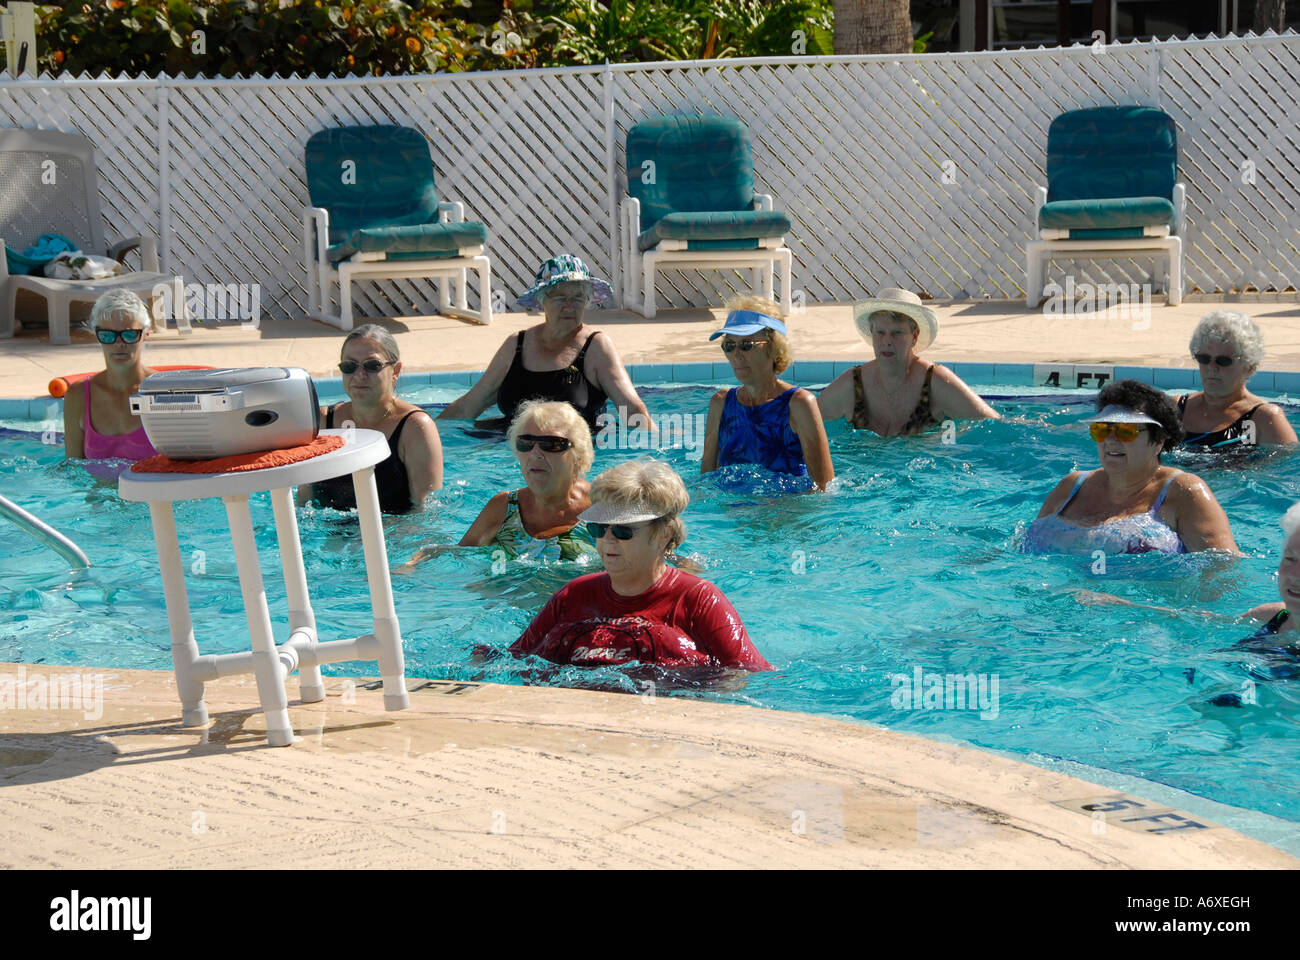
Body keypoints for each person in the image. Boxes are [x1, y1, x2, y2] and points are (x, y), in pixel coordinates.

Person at [510, 459, 772, 670]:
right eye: (598, 528)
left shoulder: (699, 601)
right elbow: (511, 661)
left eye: (623, 531)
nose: (607, 540)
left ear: (663, 536)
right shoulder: (572, 596)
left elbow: (745, 676)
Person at [437, 255, 651, 435]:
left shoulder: (596, 346)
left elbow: (632, 407)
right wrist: (428, 430)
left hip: (574, 455)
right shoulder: (516, 344)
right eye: (560, 297)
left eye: (578, 297)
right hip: (510, 450)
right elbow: (471, 403)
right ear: (541, 300)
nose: (570, 306)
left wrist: (655, 449)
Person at [1024, 380, 1238, 555]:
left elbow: (1223, 571)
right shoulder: (1071, 487)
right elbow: (1020, 553)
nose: (1110, 440)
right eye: (1101, 430)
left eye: (1126, 431)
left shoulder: (1184, 492)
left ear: (1158, 441)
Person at [297, 324, 442, 514]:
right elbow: (303, 504)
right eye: (349, 366)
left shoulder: (415, 427)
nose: (359, 375)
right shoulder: (321, 423)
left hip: (391, 537)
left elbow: (424, 513)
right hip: (331, 536)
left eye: (372, 366)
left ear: (396, 371)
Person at [817, 288, 998, 436]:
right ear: (872, 333)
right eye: (880, 332)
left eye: (897, 333)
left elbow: (992, 425)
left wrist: (950, 441)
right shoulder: (853, 384)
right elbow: (799, 422)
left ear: (914, 336)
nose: (887, 341)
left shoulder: (935, 382)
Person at [699, 297, 834, 491]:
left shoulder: (798, 404)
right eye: (729, 345)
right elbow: (706, 482)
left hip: (785, 517)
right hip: (734, 518)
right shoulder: (720, 403)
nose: (736, 354)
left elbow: (823, 489)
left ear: (774, 346)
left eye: (747, 344)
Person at [454, 400, 598, 561]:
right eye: (526, 443)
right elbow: (457, 557)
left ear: (578, 455)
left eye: (551, 444)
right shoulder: (503, 508)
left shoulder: (604, 505)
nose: (535, 453)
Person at [1177, 310, 1296, 450]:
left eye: (1223, 361)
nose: (1212, 367)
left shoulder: (1264, 418)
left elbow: (1284, 467)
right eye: (1204, 359)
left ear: (1248, 366)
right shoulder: (1177, 409)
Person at [63, 290, 158, 461]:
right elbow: (72, 469)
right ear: (96, 335)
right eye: (108, 335)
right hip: (94, 489)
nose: (118, 344)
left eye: (129, 335)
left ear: (146, 333)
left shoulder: (163, 391)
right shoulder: (77, 396)